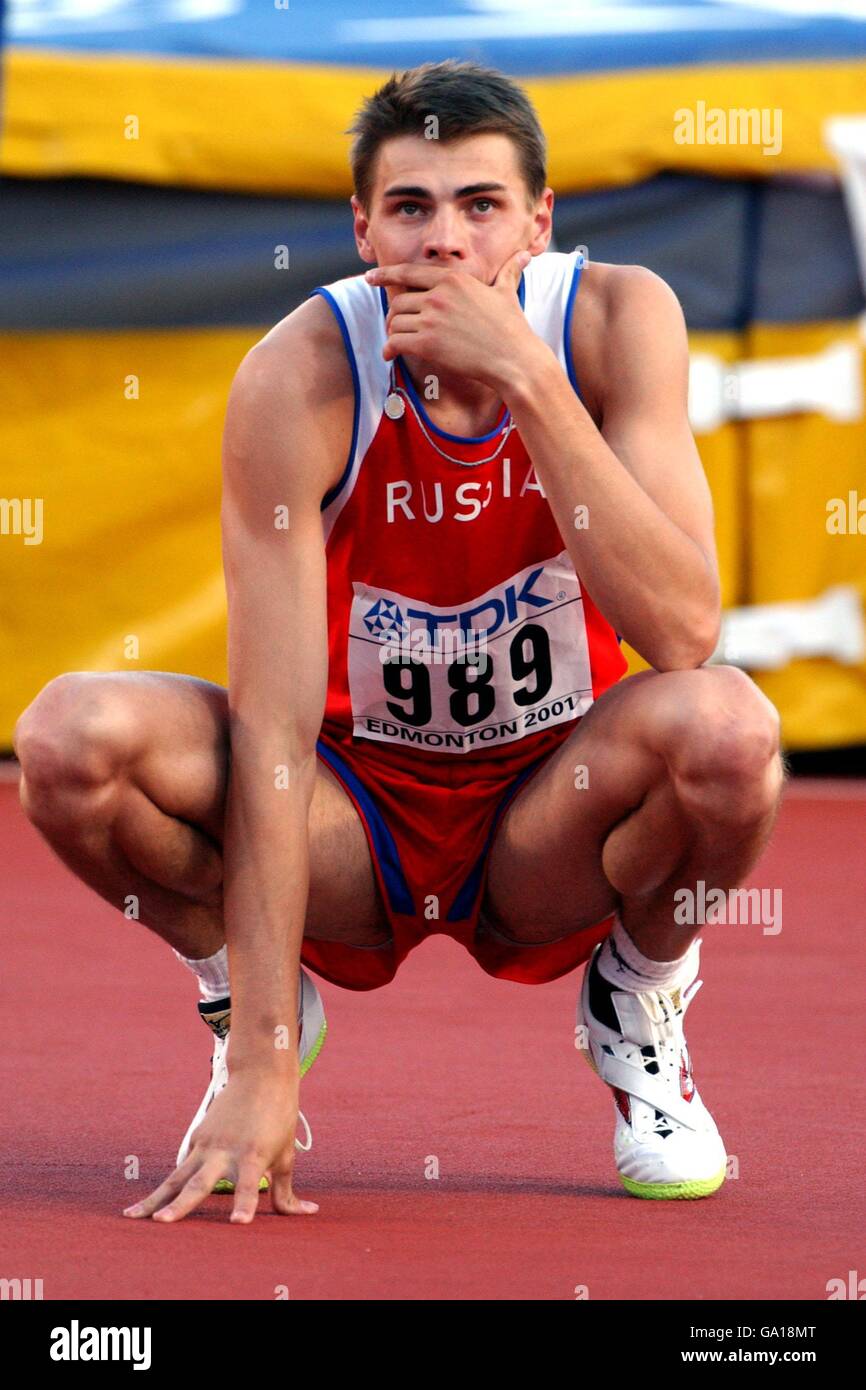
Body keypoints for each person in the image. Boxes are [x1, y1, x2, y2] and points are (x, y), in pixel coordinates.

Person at [14, 60, 784, 1224]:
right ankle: (243, 1001)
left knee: (730, 730)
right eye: (411, 208)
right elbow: (268, 729)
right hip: (353, 817)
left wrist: (527, 377)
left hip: (546, 812)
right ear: (362, 227)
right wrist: (268, 1053)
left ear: (538, 222)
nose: (444, 243)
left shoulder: (619, 319)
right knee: (70, 738)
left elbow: (681, 629)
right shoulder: (299, 374)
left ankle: (637, 995)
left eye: (479, 207)